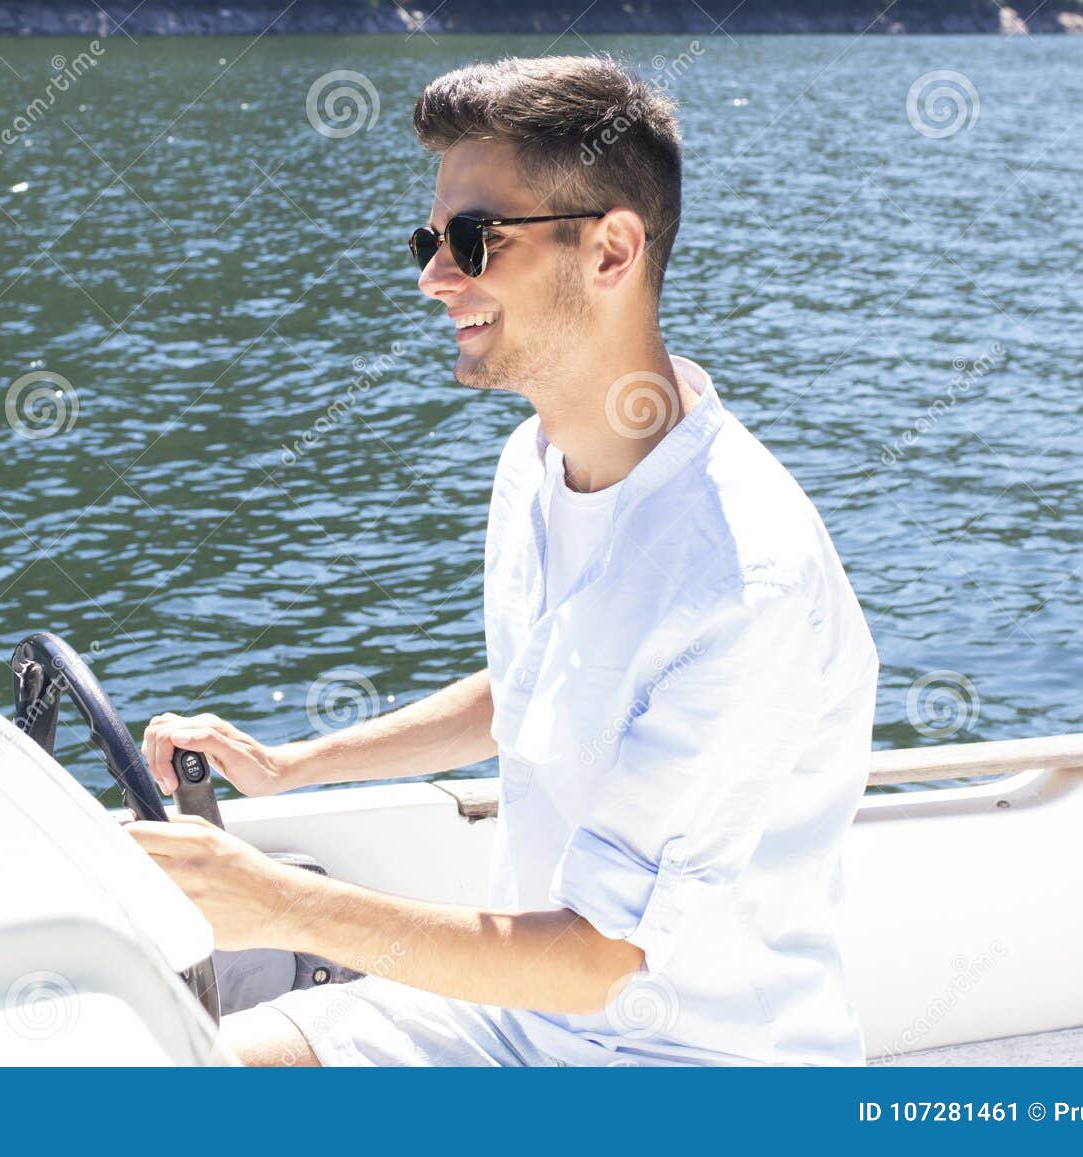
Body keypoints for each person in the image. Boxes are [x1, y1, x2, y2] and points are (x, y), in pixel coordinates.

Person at [125, 53, 879, 1067]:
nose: (437, 276)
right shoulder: (537, 463)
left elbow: (602, 959)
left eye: (474, 239)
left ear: (611, 251)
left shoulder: (742, 579)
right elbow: (543, 677)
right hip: (508, 1021)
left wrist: (277, 903)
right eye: (428, 241)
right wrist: (296, 765)